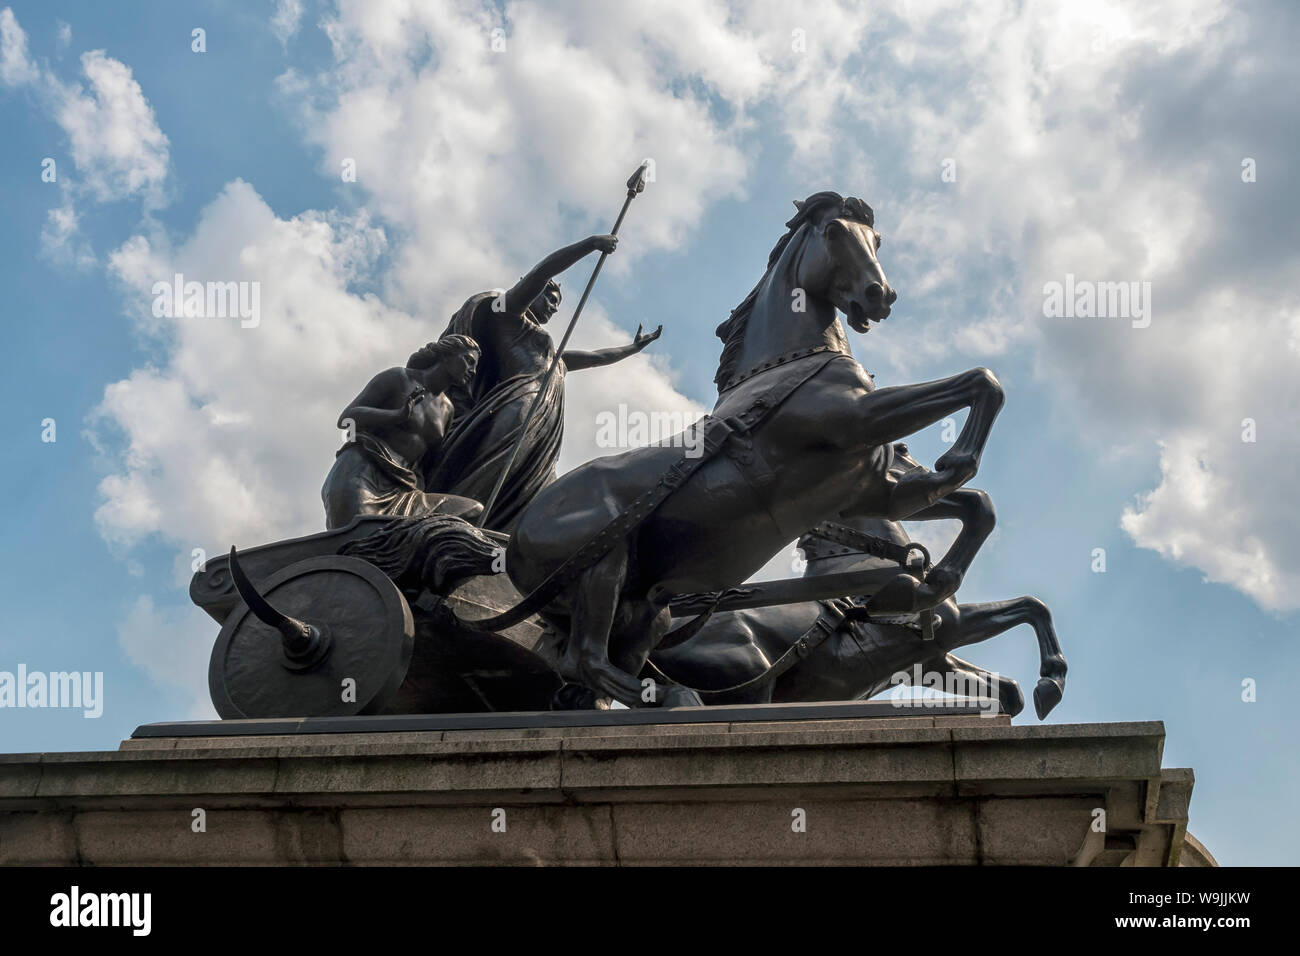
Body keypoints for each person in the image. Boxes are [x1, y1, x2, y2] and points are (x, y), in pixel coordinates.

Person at [427, 234, 662, 531]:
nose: (553, 306)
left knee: (531, 491)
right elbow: (543, 272)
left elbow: (595, 357)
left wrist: (633, 348)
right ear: (533, 292)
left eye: (557, 304)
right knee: (494, 471)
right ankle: (449, 528)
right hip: (519, 408)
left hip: (546, 425)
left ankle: (498, 535)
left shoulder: (554, 357)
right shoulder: (509, 317)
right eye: (550, 298)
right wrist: (591, 244)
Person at [322, 335, 483, 530]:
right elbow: (346, 419)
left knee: (473, 510)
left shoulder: (447, 410)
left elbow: (429, 463)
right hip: (363, 474)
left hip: (404, 491)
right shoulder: (399, 378)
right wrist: (396, 416)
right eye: (468, 361)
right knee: (360, 537)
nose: (472, 371)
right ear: (447, 355)